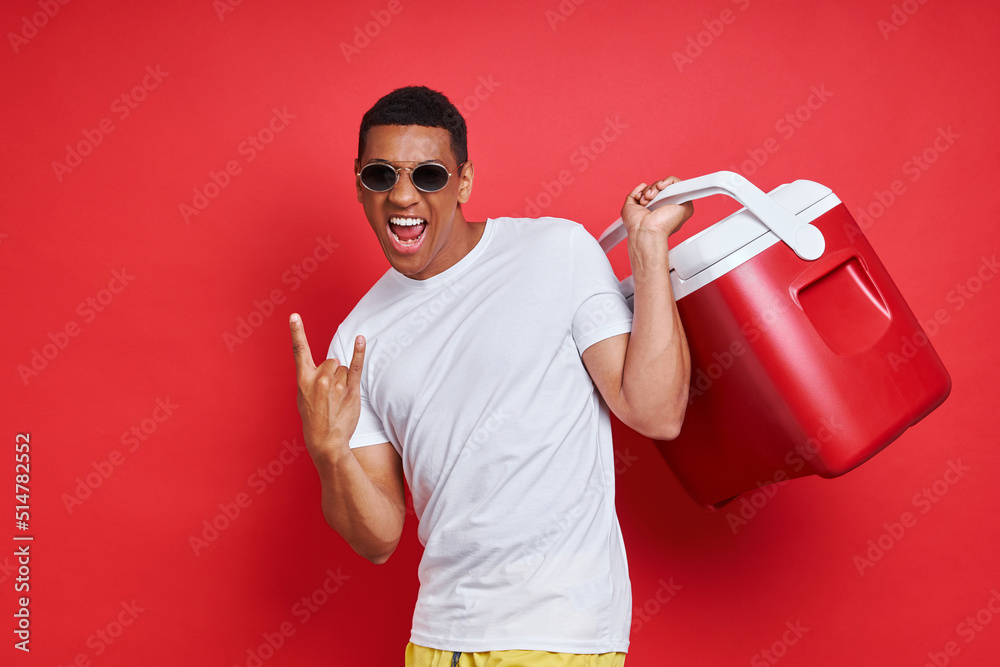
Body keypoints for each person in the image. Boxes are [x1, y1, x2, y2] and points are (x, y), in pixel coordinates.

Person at [289, 85, 692, 667]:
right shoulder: (359, 337)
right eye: (381, 175)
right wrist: (329, 452)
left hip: (556, 634)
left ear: (464, 181)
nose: (402, 195)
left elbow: (655, 411)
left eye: (428, 175)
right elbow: (378, 540)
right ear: (359, 183)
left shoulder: (557, 251)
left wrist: (649, 247)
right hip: (437, 638)